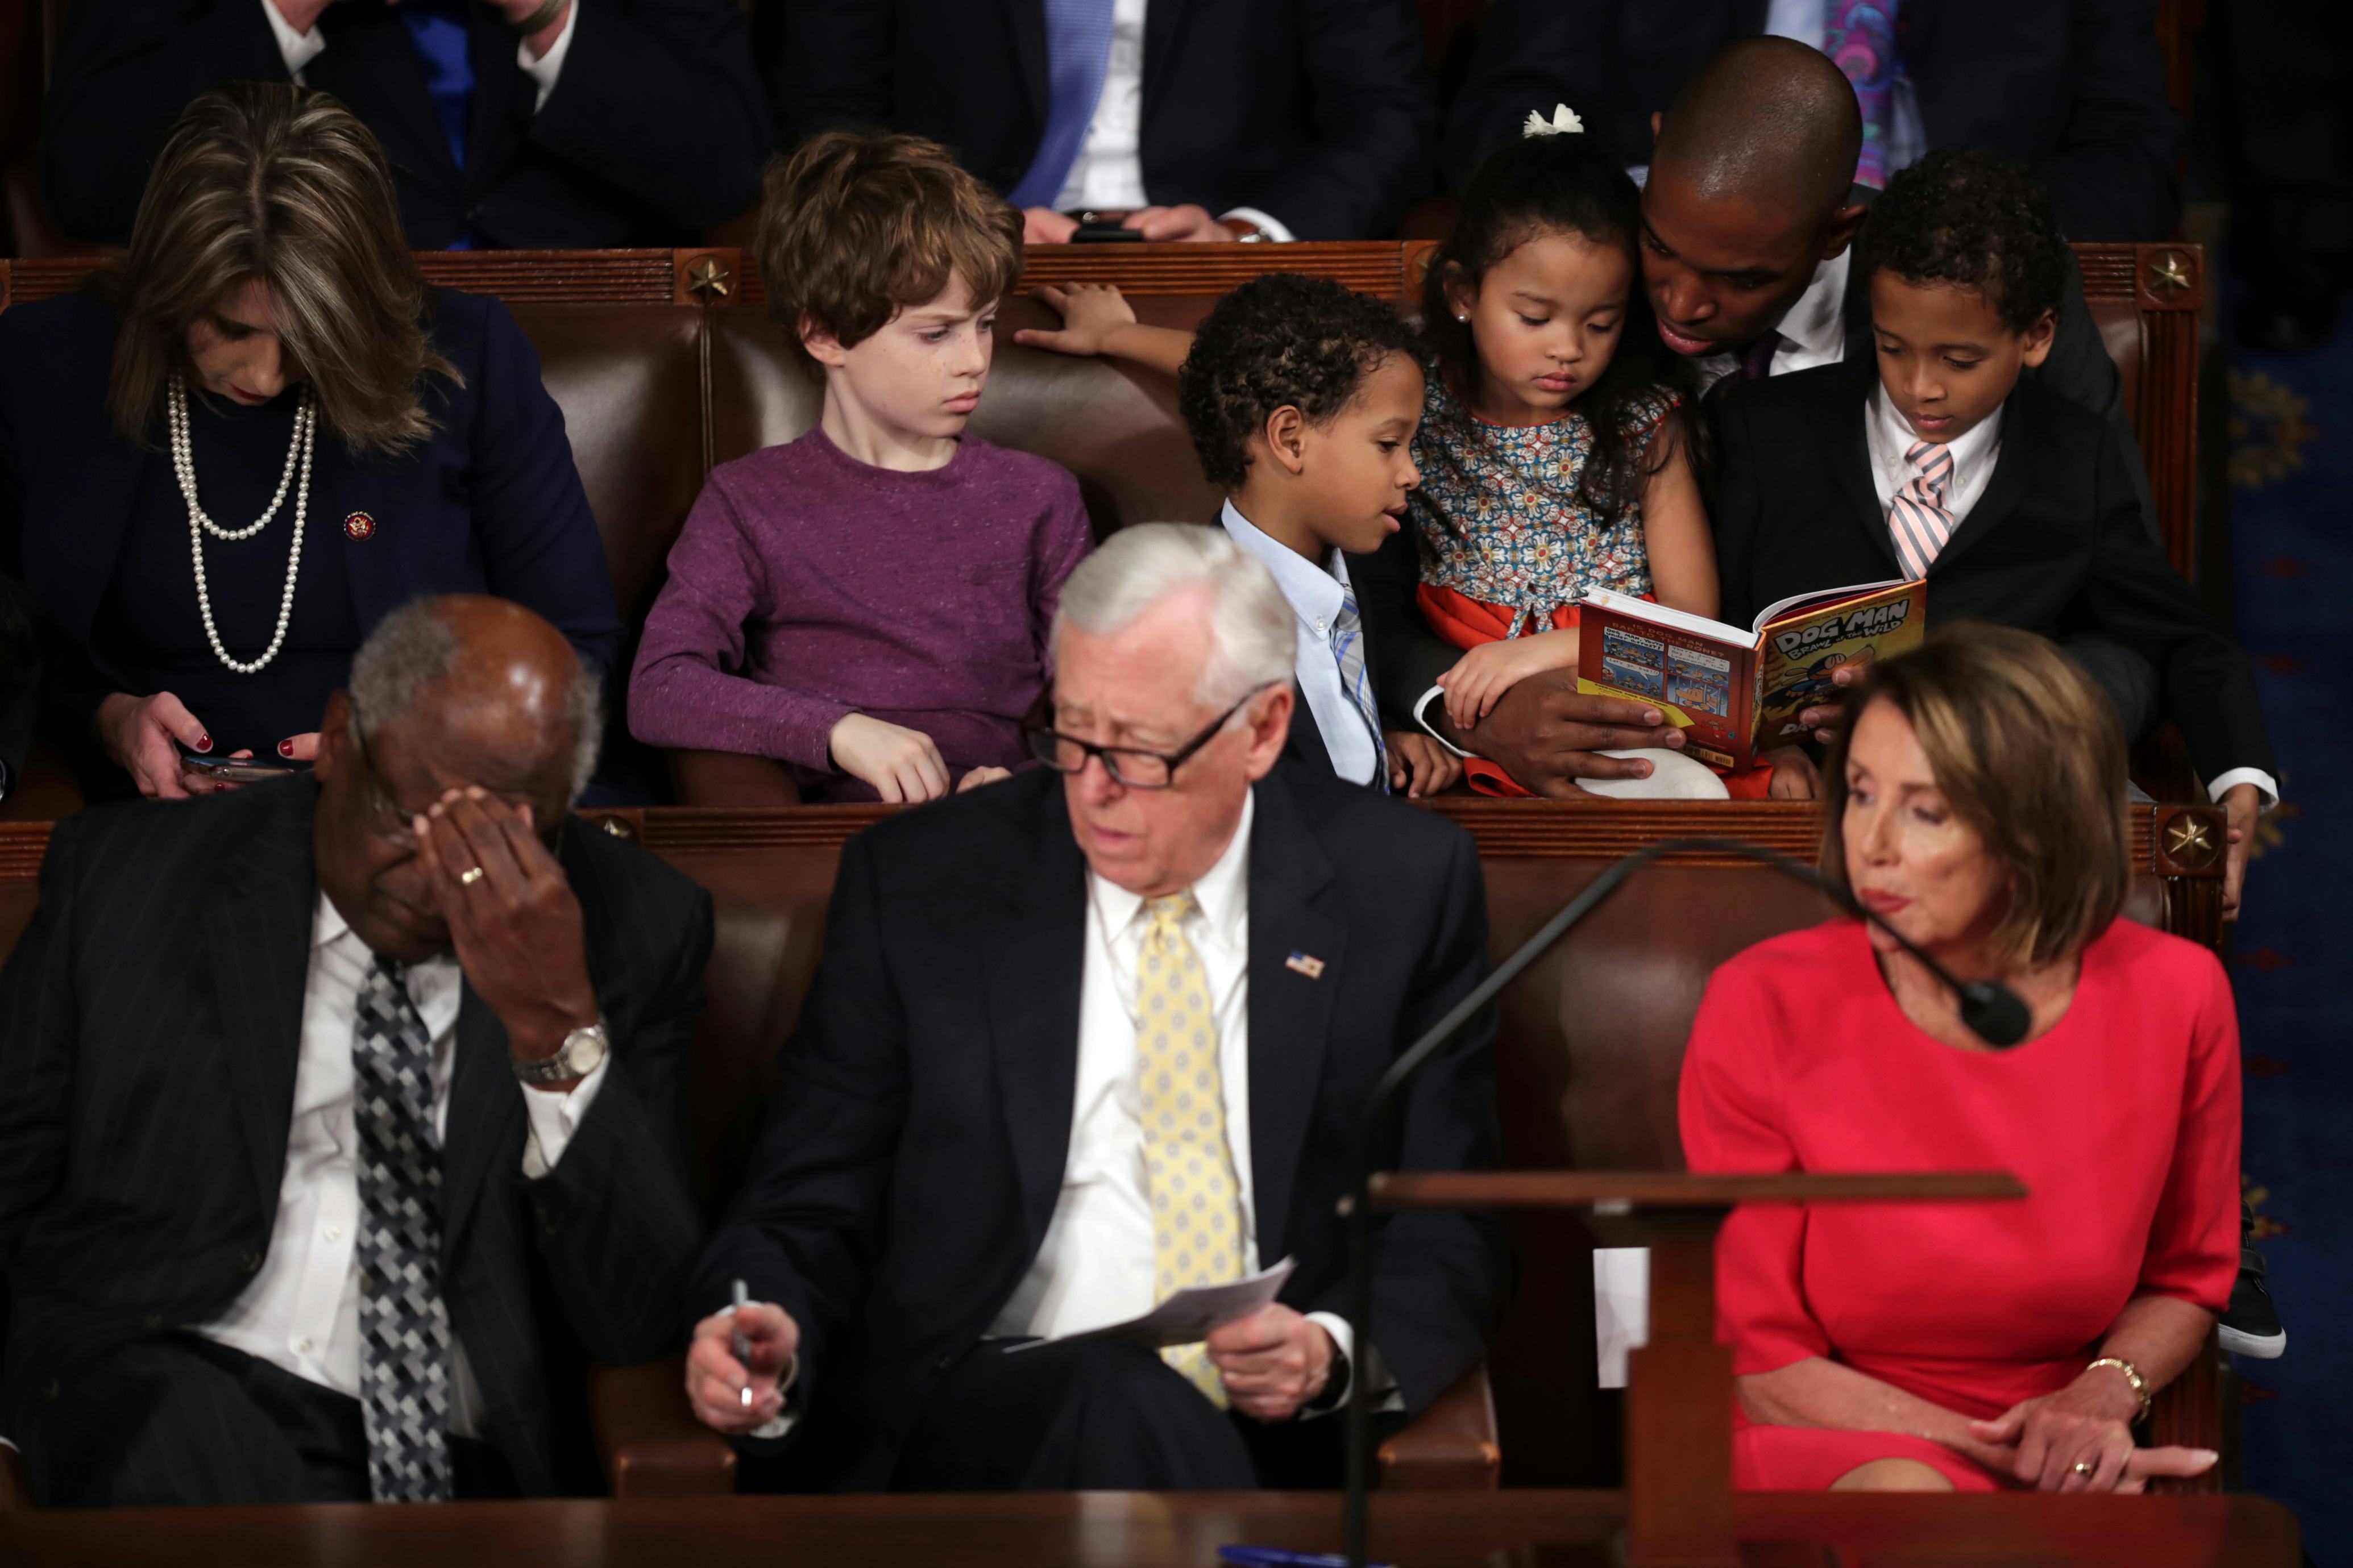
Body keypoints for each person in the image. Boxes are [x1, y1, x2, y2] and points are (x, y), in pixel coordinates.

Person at [682, 524, 1505, 1491]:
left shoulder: (1398, 885)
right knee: (1115, 1393)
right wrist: (762, 1316)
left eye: (1141, 751)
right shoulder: (922, 881)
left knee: (1140, 1409)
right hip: (976, 1419)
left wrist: (1326, 1351)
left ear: (1264, 727)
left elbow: (1454, 1218)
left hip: (1269, 1430)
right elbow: (807, 1197)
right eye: (1071, 737)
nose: (1095, 791)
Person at [0, 594, 713, 1506]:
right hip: (173, 1383)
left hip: (455, 1463)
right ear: (339, 738)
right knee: (197, 1434)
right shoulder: (128, 879)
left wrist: (553, 1025)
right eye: (410, 815)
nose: (435, 876)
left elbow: (643, 1310)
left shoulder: (636, 928)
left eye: (498, 840)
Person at [1372, 39, 2167, 795]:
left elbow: (2123, 617)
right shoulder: (1565, 268)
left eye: (1742, 277)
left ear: (1832, 236)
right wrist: (1455, 710)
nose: (1679, 303)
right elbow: (1367, 577)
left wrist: (1990, 727)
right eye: (1660, 247)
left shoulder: (1961, 304)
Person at [1679, 625, 2236, 1494]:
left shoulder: (2179, 992)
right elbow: (1766, 1361)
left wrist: (2100, 1394)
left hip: (2059, 1434)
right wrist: (2010, 1449)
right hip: (1820, 1423)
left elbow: (2186, 1279)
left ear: (2035, 830)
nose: (1870, 844)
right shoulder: (1760, 1000)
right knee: (1920, 1511)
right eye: (1860, 793)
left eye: (1925, 810)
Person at [0, 85, 621, 806]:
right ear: (164, 291)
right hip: (154, 825)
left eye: (306, 339)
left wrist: (427, 744)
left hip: (419, 812)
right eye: (230, 330)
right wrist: (110, 720)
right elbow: (17, 651)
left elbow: (576, 644)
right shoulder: (47, 362)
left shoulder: (471, 359)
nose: (264, 375)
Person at [1711, 147, 2276, 918]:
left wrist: (2237, 780)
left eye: (1959, 358)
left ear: (2036, 336)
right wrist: (1765, 743)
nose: (1920, 386)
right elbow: (1710, 623)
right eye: (1891, 346)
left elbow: (2178, 637)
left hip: (1997, 793)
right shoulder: (1763, 429)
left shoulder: (2075, 458)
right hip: (1800, 790)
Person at [629, 131, 1093, 804]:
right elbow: (661, 685)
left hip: (1006, 820)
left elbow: (1104, 703)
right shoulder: (749, 499)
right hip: (836, 839)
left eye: (984, 323)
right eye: (936, 333)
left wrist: (1024, 789)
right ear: (824, 335)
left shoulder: (1038, 497)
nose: (973, 360)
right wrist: (839, 730)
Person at [1051, 272, 1459, 795]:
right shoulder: (1191, 630)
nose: (1411, 474)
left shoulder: (1371, 562)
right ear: (1290, 439)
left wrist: (1378, 738)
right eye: (1387, 444)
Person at [42, 0, 770, 250]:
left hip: (599, 353)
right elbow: (90, 180)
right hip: (306, 347)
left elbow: (728, 167)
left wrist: (541, 11)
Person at [1442, 0, 2183, 243]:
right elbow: (1505, 121)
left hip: (1950, 293)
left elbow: (2130, 163)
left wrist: (1955, 248)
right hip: (1661, 295)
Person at [762, 0, 1438, 244]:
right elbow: (827, 114)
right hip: (951, 255)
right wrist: (949, 225)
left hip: (1225, 262)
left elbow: (1386, 114)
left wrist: (1244, 237)